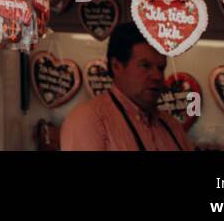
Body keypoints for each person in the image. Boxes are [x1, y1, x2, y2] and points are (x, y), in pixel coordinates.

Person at [59, 22, 193, 151]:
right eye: (145, 66)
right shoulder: (88, 120)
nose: (157, 76)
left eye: (161, 68)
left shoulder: (172, 125)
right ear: (116, 66)